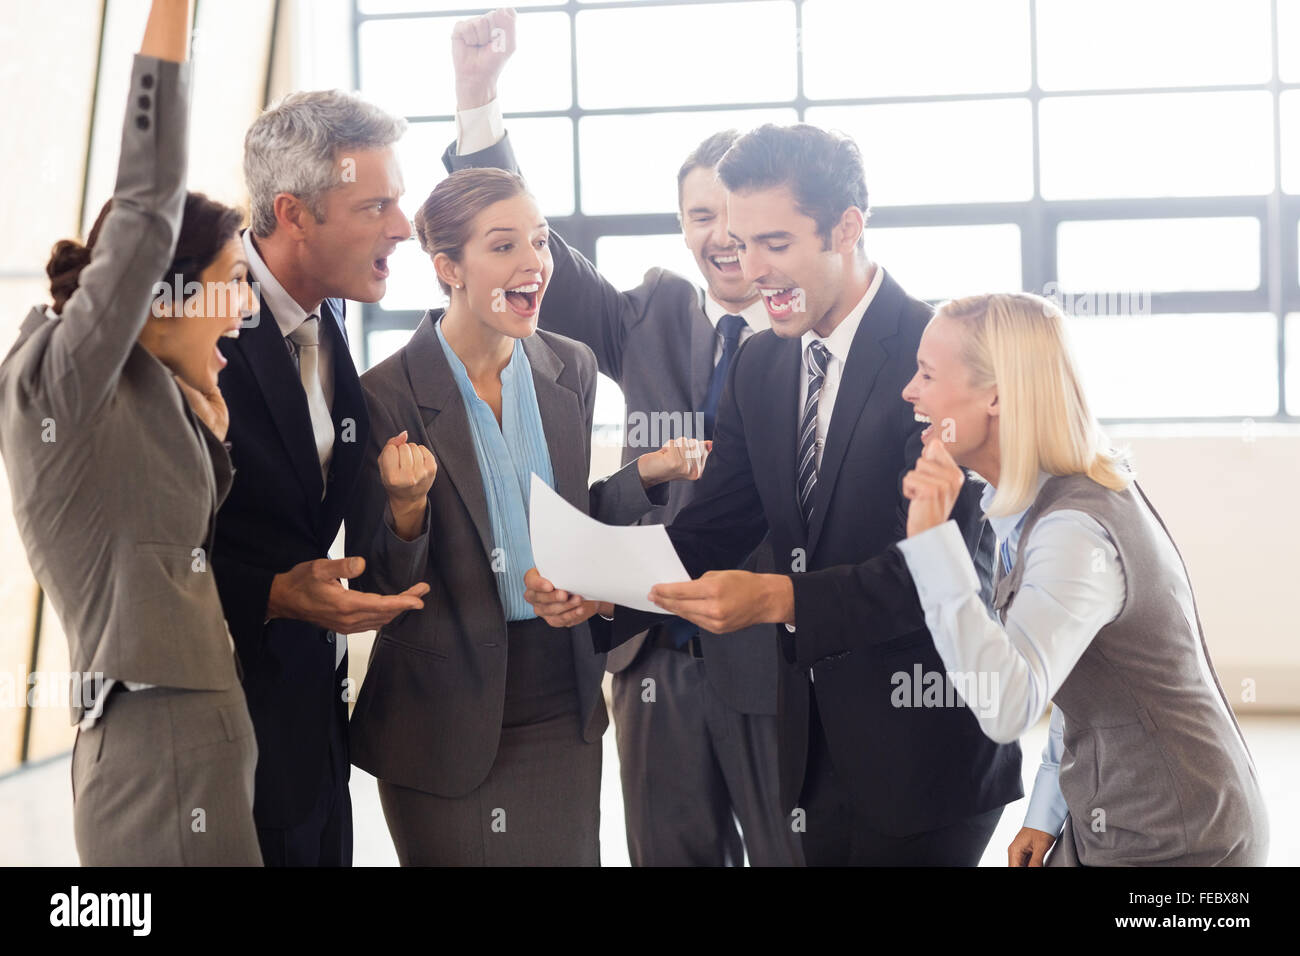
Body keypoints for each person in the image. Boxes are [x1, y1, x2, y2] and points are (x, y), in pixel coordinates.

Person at [531, 123, 1024, 866]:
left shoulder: (935, 354)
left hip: (923, 753)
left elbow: (934, 572)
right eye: (738, 238)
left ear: (847, 229)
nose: (749, 265)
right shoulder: (763, 363)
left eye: (776, 243)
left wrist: (775, 600)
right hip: (810, 747)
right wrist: (608, 591)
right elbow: (717, 526)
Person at [445, 7, 801, 867]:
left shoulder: (806, 338)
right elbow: (538, 253)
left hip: (774, 658)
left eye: (732, 215)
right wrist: (478, 101)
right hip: (652, 657)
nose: (717, 236)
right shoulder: (651, 314)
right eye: (697, 214)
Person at [345, 167, 705, 865]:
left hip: (559, 691)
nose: (534, 263)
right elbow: (379, 588)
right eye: (504, 246)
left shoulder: (570, 367)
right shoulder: (382, 394)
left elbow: (562, 519)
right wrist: (405, 508)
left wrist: (645, 476)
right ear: (448, 267)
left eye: (539, 242)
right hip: (439, 709)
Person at [0, 0, 263, 865]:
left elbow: (155, 549)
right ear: (161, 294)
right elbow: (147, 209)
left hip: (192, 734)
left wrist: (211, 445)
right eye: (232, 282)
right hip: (160, 755)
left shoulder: (148, 400)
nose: (246, 309)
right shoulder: (61, 377)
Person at [895, 292, 1269, 866]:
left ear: (996, 394)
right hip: (1114, 816)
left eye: (926, 374)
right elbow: (1070, 662)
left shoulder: (1074, 531)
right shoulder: (1029, 502)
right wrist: (1047, 811)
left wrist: (930, 546)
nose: (910, 391)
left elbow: (1006, 705)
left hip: (1181, 839)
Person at [213, 87, 428, 866]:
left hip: (309, 724)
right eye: (377, 206)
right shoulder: (190, 319)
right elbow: (129, 543)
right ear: (294, 214)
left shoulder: (331, 317)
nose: (402, 227)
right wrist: (270, 593)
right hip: (212, 729)